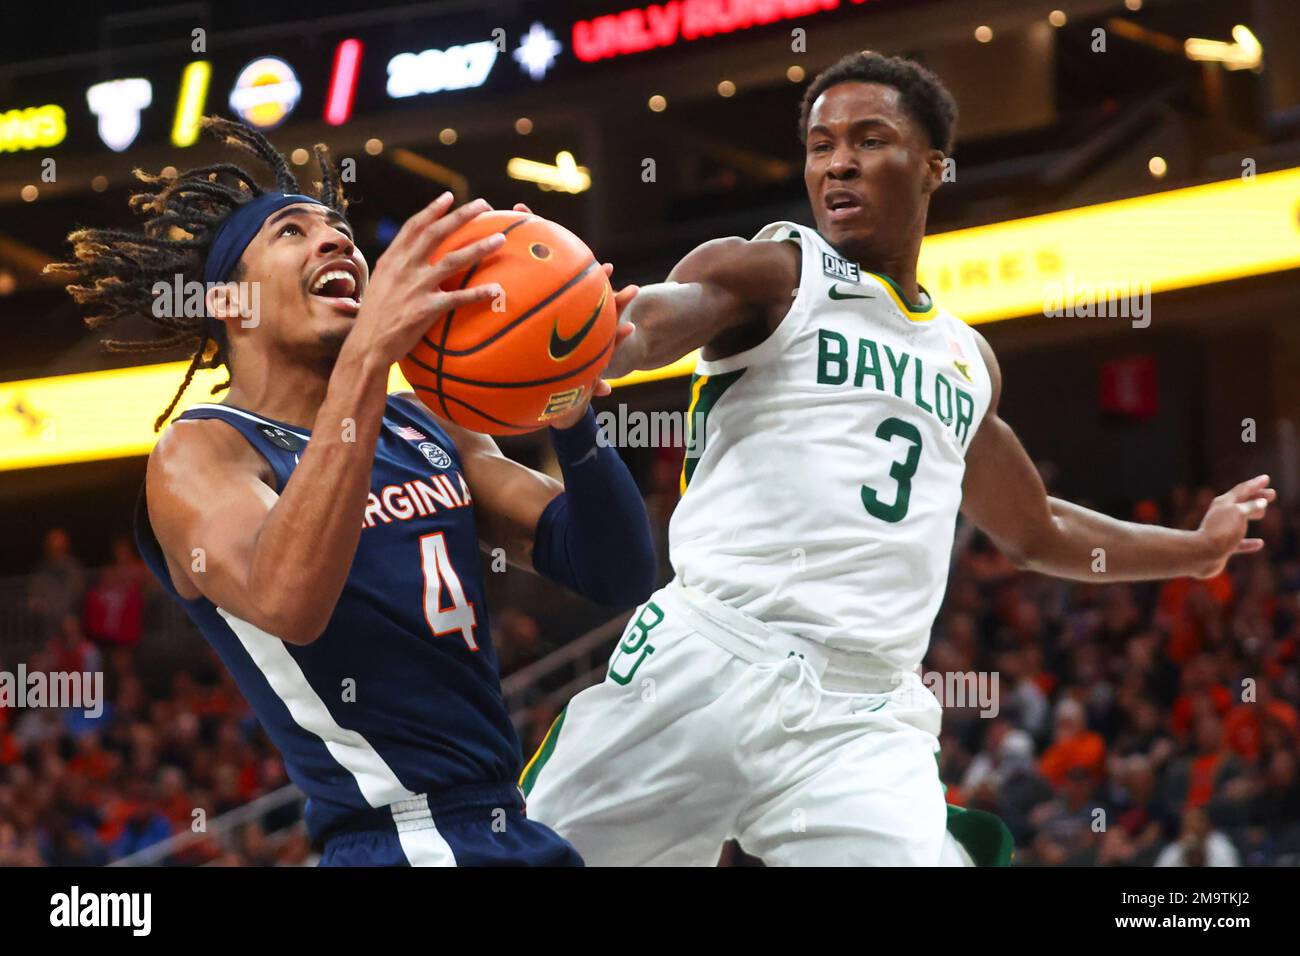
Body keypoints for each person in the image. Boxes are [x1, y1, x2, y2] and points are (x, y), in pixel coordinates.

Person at [522, 51, 1274, 866]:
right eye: (820, 144)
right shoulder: (776, 272)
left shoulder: (965, 359)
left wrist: (1196, 552)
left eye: (869, 139)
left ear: (933, 167)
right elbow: (661, 322)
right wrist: (602, 338)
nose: (837, 161)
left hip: (862, 714)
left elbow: (1038, 526)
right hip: (708, 659)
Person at [46, 116, 656, 866]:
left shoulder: (422, 423)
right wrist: (370, 360)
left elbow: (614, 568)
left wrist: (568, 404)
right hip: (396, 839)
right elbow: (287, 600)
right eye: (291, 233)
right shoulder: (201, 451)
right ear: (229, 303)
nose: (336, 241)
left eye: (340, 229)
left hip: (504, 824)